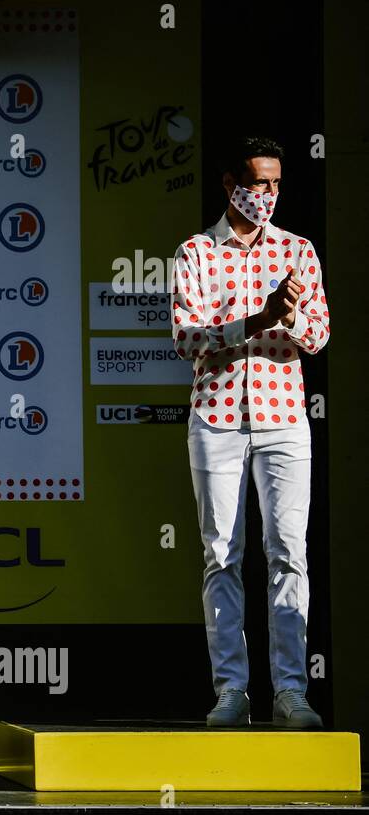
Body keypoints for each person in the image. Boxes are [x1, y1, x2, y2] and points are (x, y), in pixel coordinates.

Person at [169, 136, 330, 728]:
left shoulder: (298, 250)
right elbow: (186, 338)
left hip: (284, 416)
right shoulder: (196, 252)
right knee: (221, 556)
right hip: (215, 417)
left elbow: (317, 336)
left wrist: (289, 316)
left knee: (289, 552)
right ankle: (231, 692)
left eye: (276, 184)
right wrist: (253, 321)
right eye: (257, 182)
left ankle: (291, 692)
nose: (267, 194)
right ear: (229, 182)